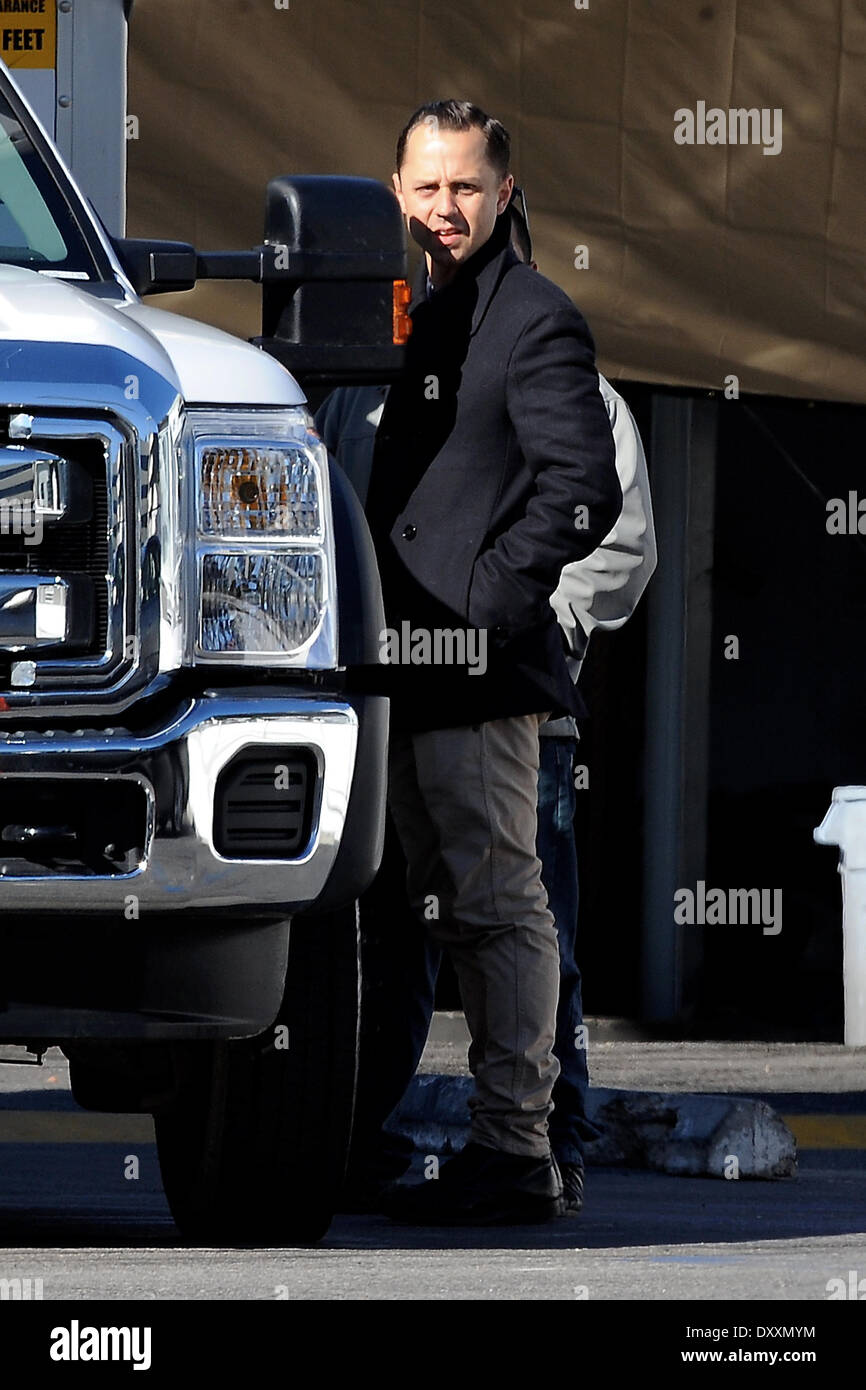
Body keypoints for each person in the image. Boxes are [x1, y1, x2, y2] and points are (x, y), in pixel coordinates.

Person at [316, 190, 656, 1218]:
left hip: (508, 703)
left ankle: (543, 1141)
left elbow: (612, 533)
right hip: (387, 701)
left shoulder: (550, 360)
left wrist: (512, 621)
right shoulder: (363, 387)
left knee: (518, 918)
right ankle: (353, 1136)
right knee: (384, 936)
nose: (426, 261)